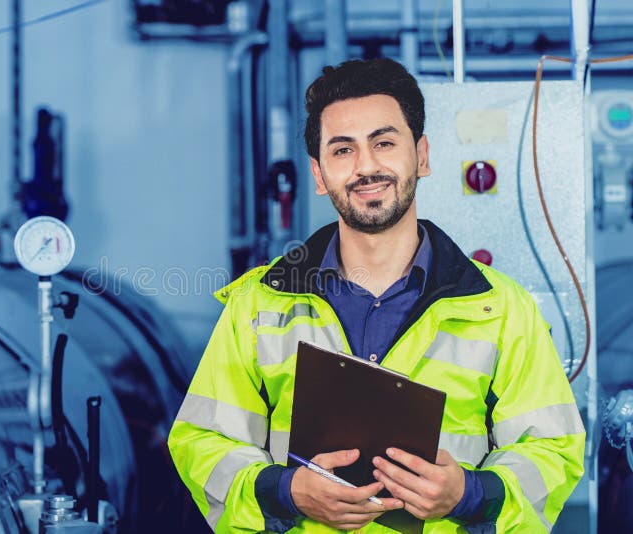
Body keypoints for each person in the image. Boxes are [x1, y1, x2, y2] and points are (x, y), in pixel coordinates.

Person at [168, 58, 585, 533]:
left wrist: (468, 495)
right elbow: (203, 442)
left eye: (384, 143)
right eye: (342, 150)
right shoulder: (258, 306)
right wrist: (287, 492)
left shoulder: (504, 310)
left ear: (421, 156)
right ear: (319, 174)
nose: (366, 166)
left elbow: (552, 450)